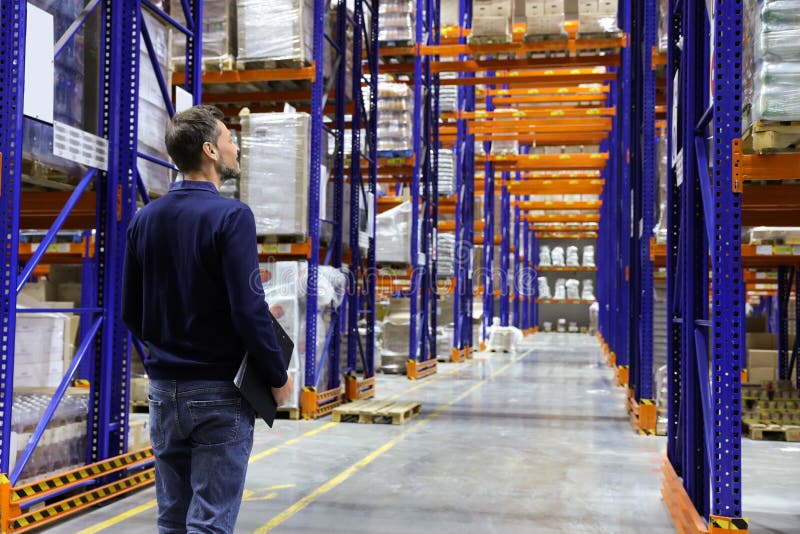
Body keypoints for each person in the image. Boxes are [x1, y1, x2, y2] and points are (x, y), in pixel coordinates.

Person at [122, 105, 294, 533]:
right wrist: (276, 375)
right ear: (210, 151)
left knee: (172, 519)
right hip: (220, 393)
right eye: (229, 139)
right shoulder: (232, 216)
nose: (236, 146)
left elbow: (131, 311)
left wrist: (172, 345)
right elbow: (248, 310)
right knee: (211, 522)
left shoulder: (144, 220)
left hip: (163, 394)